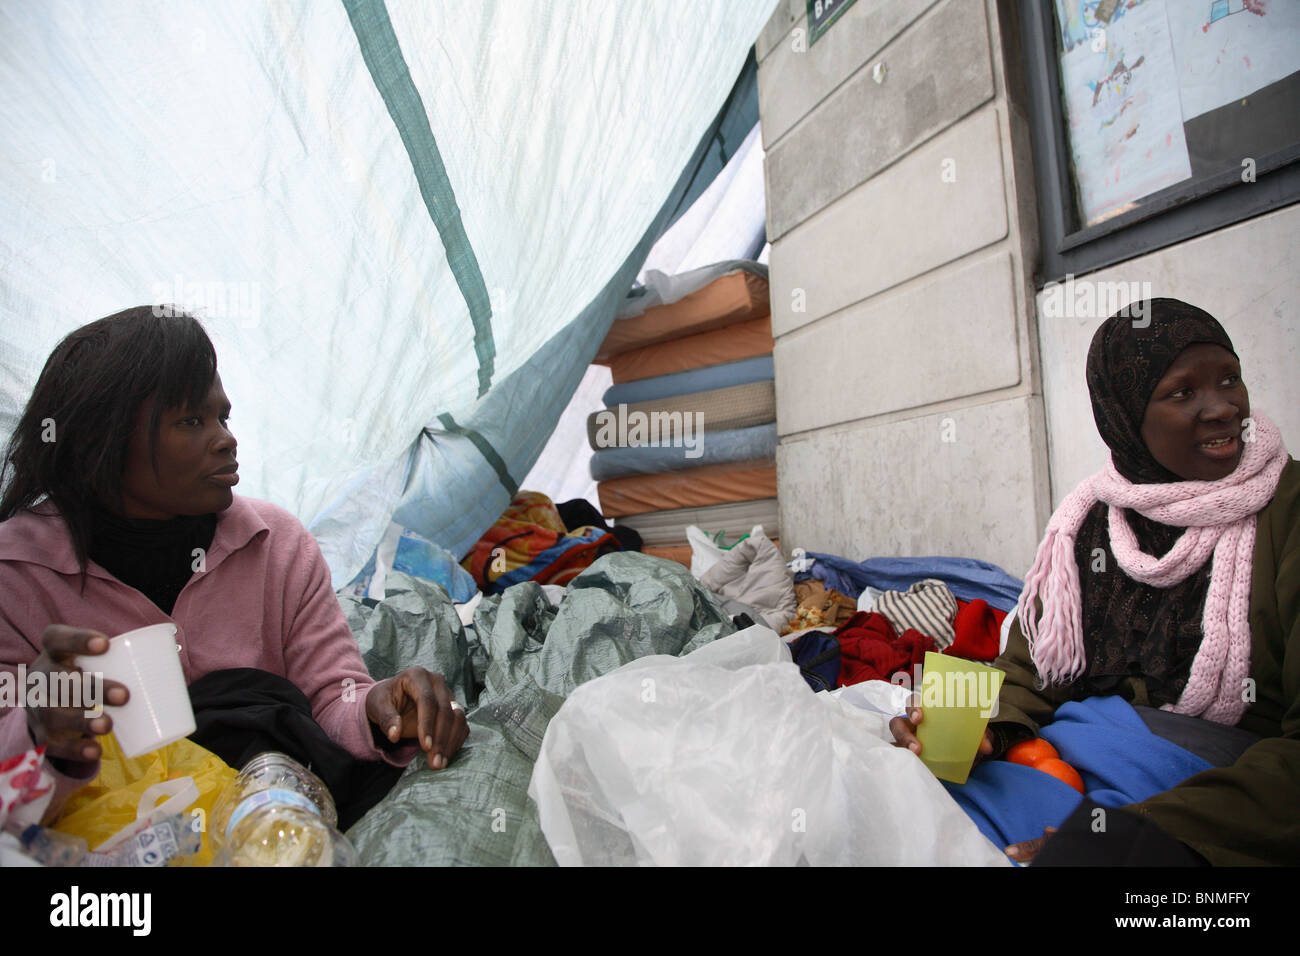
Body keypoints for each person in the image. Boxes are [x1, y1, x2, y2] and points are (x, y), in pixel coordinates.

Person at [0, 307, 469, 821]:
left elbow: (332, 700)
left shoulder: (278, 545)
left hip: (272, 829)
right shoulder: (15, 576)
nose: (227, 438)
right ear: (102, 444)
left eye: (223, 417)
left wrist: (381, 714)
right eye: (192, 421)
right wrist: (40, 725)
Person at [891, 298, 1298, 865]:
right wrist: (966, 725)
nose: (1224, 408)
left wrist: (1143, 835)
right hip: (1075, 760)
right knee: (902, 801)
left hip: (1222, 806)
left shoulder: (1289, 513)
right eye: (1184, 392)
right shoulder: (1089, 523)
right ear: (1124, 415)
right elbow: (1030, 669)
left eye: (1231, 379)